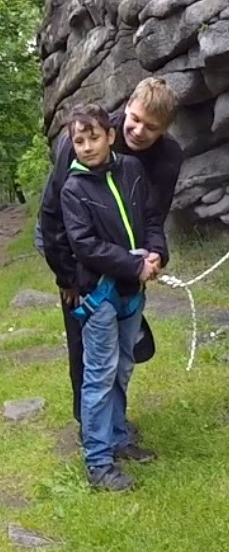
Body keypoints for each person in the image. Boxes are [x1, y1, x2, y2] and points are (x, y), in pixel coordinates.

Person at [35, 75, 181, 441]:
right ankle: (90, 427)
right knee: (84, 334)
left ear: (165, 129)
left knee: (123, 337)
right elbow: (53, 214)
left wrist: (155, 254)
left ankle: (112, 422)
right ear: (126, 108)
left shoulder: (167, 157)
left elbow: (154, 214)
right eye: (135, 119)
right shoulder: (89, 137)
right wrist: (67, 278)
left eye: (152, 127)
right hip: (68, 237)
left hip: (121, 241)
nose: (139, 131)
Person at [56, 102, 165, 490]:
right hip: (99, 296)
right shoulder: (73, 189)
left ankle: (118, 437)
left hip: (131, 295)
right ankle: (98, 462)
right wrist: (134, 265)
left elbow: (151, 218)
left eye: (94, 138)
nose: (87, 147)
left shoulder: (132, 170)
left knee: (122, 368)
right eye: (79, 141)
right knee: (99, 375)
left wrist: (157, 252)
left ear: (110, 136)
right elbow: (84, 246)